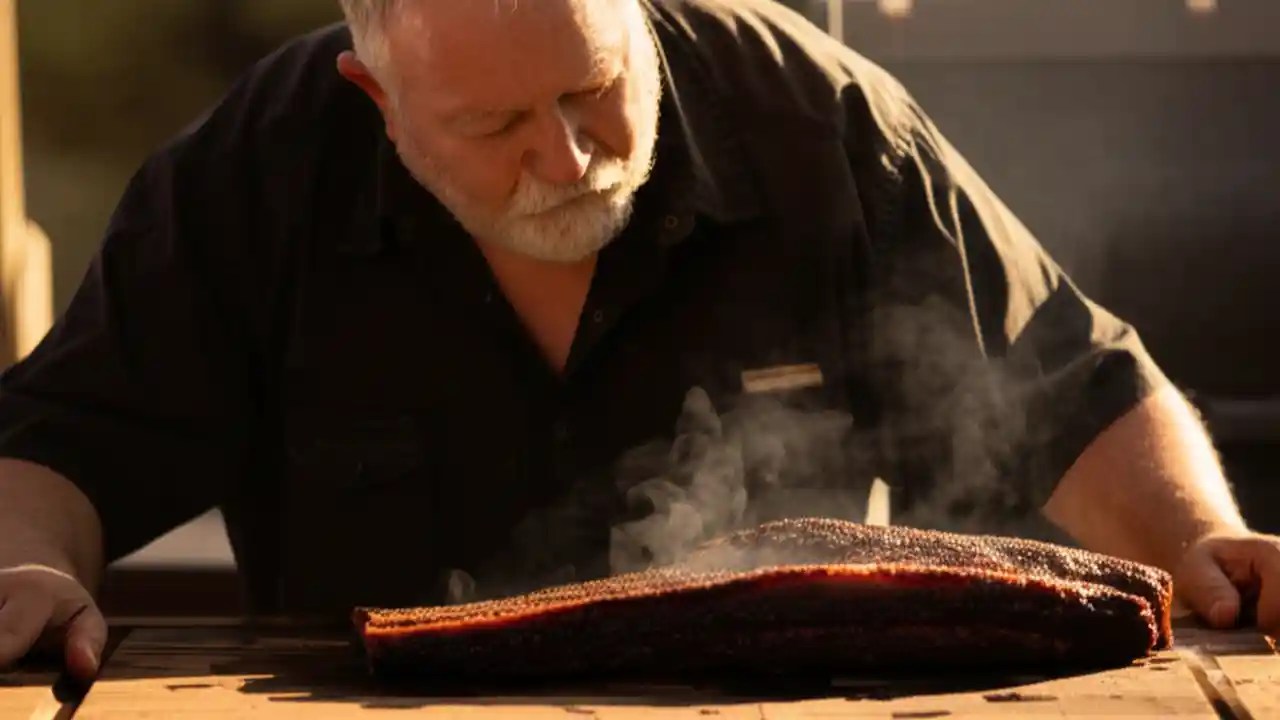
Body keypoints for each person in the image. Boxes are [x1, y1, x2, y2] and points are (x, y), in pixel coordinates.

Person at [0, 0, 1276, 681]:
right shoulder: (253, 176)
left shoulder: (817, 122)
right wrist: (26, 569)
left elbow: (1066, 381)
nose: (565, 160)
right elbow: (62, 439)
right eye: (494, 125)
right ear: (377, 96)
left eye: (591, 89)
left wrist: (1197, 547)